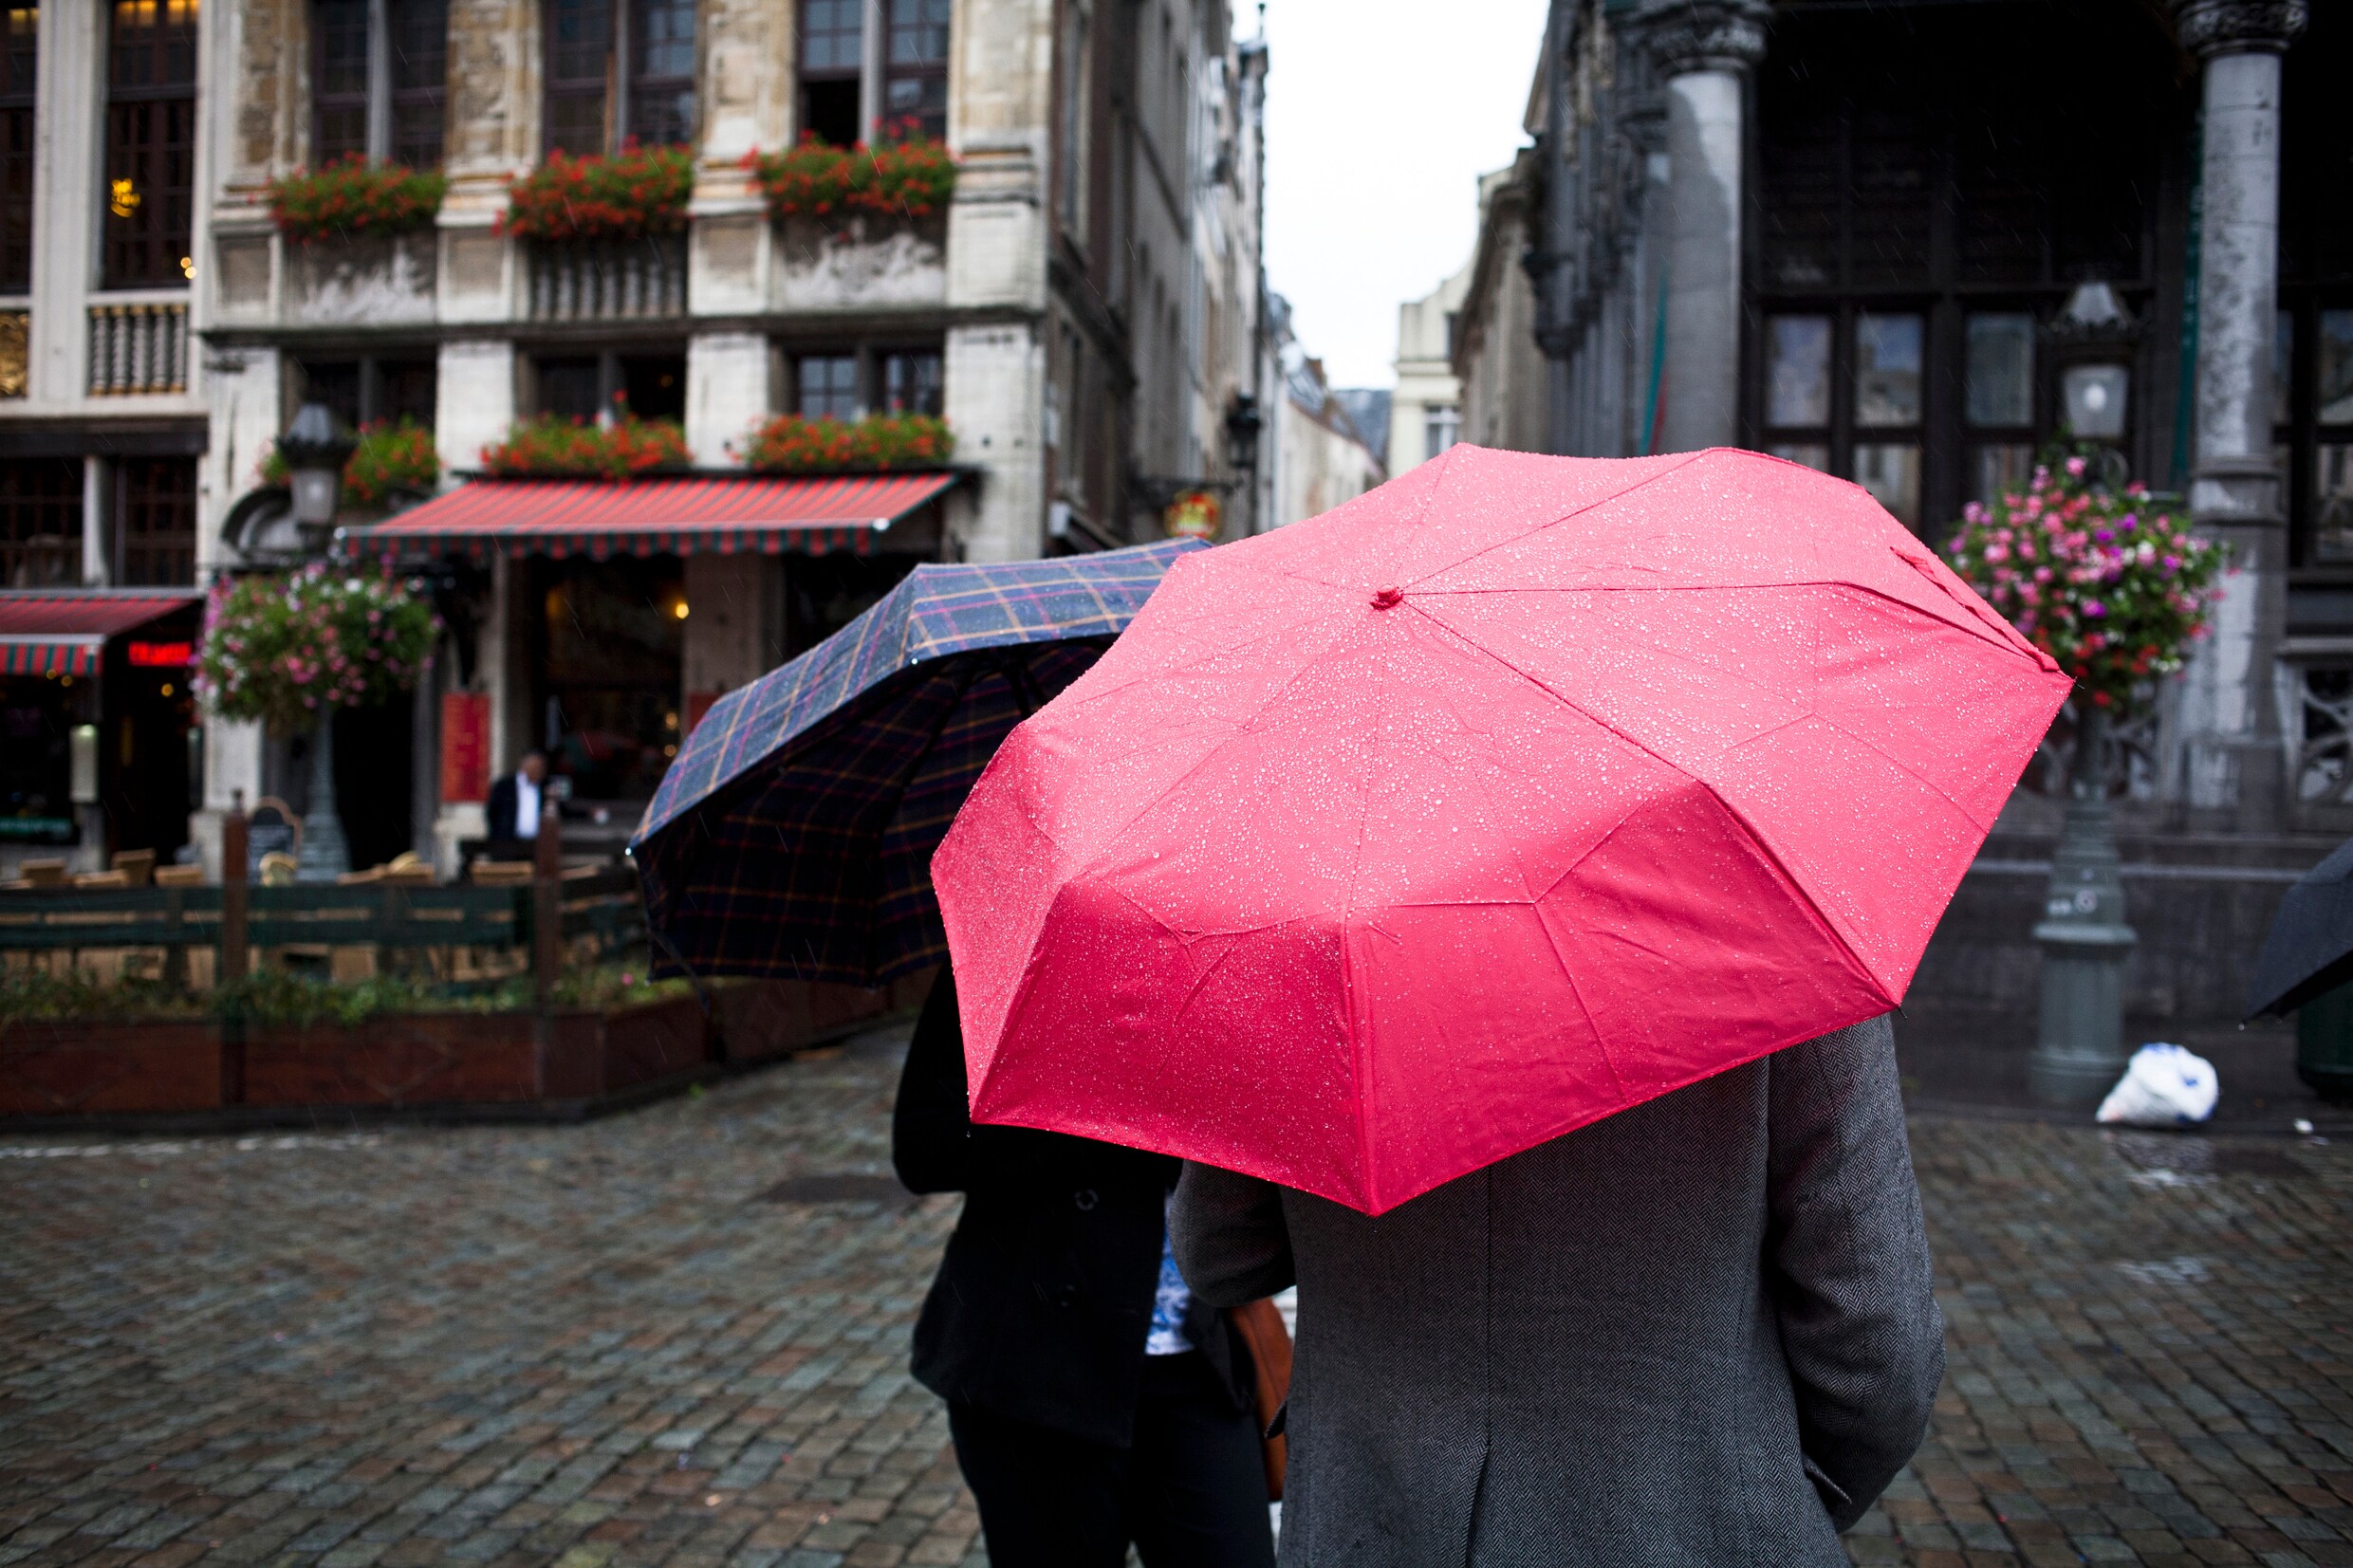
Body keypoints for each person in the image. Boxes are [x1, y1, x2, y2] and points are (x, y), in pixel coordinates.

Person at [1172, 1014, 1941, 1567]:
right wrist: (1754, 1490)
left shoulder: (1300, 940)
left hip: (1368, 1521)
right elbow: (1879, 1348)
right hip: (1687, 1523)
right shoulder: (1783, 950)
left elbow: (1221, 1254)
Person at [893, 967, 1277, 1568]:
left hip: (1195, 1358)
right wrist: (1095, 1108)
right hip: (1038, 1371)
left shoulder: (1225, 962)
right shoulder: (1003, 959)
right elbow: (923, 1147)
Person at [484, 750, 551, 845]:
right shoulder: (504, 785)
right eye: (534, 769)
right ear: (524, 767)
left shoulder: (546, 788)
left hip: (535, 845)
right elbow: (492, 812)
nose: (538, 772)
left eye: (540, 769)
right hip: (507, 843)